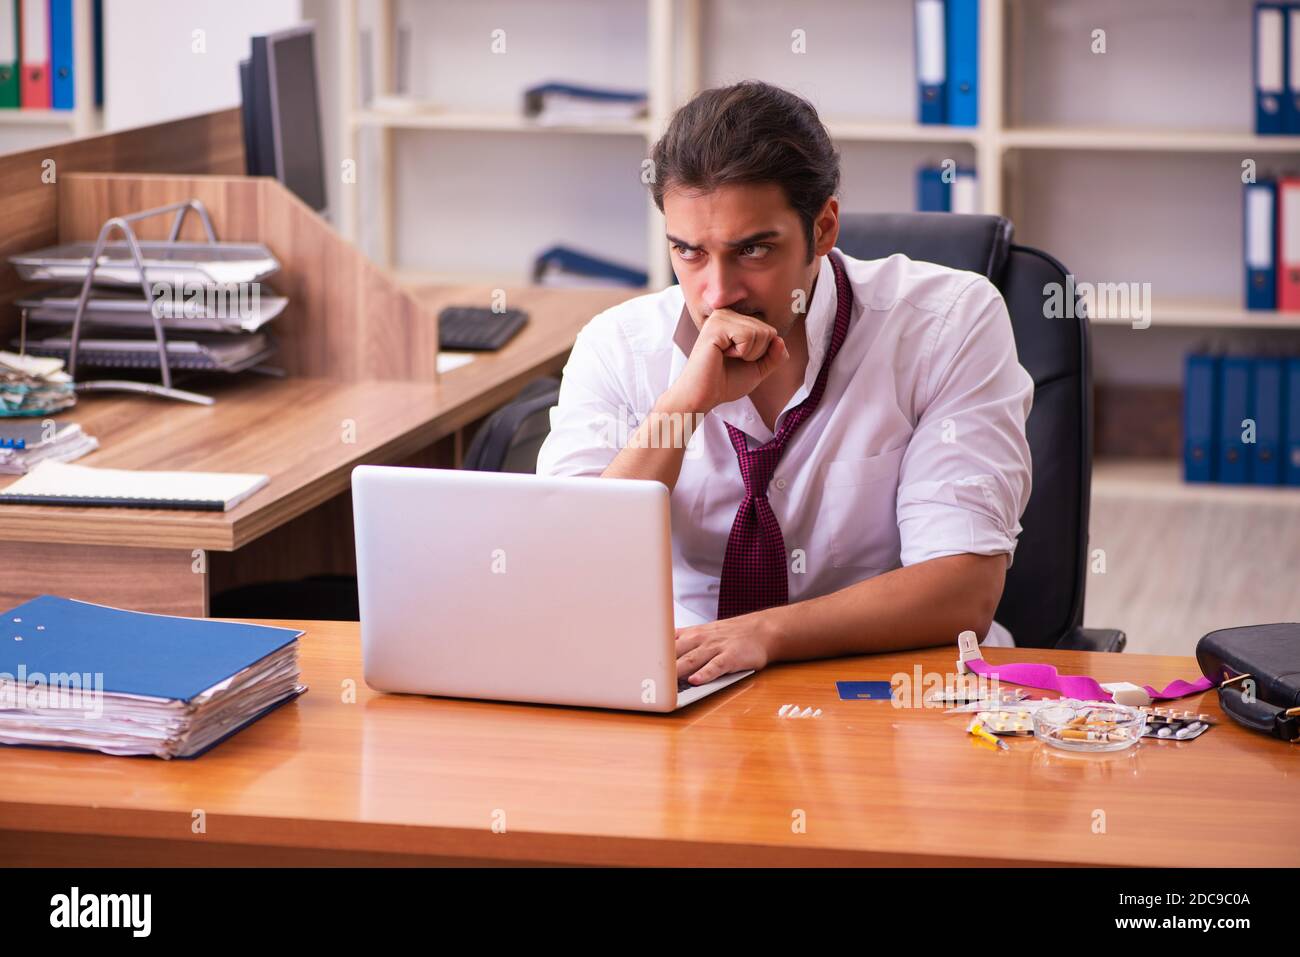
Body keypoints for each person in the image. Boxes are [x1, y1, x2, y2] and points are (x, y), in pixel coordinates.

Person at [536, 80, 1033, 687]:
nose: (717, 293)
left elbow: (962, 592)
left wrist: (765, 634)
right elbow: (575, 568)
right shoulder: (618, 347)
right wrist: (683, 406)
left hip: (887, 684)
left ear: (823, 229)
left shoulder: (946, 323)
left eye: (752, 251)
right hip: (682, 682)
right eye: (689, 253)